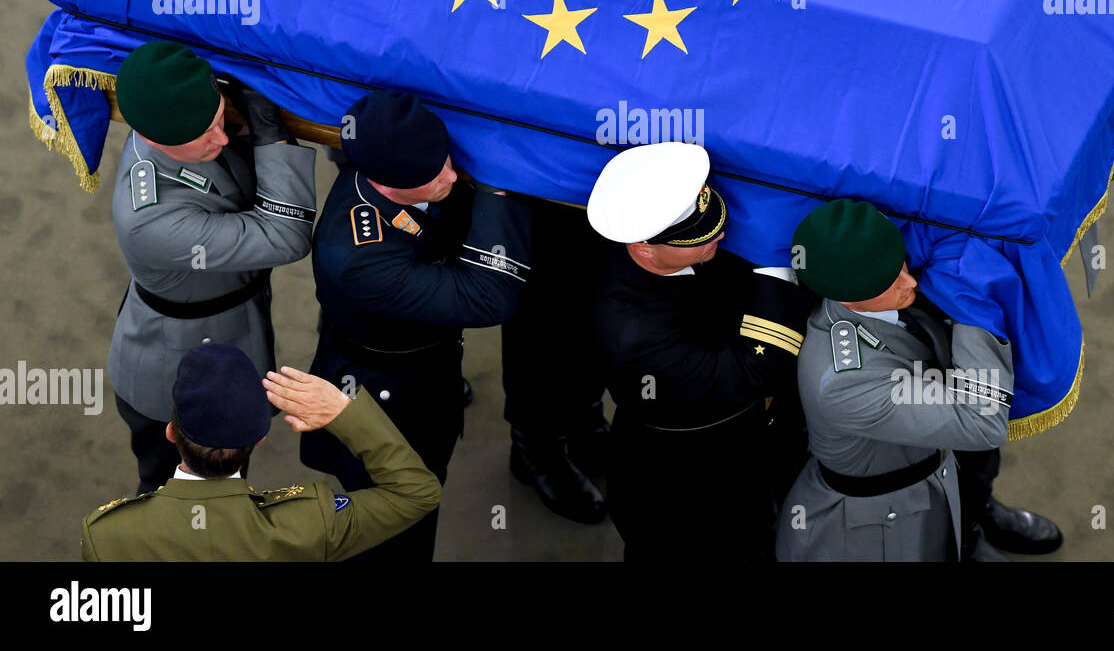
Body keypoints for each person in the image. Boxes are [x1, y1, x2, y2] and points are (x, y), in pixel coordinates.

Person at [301, 90, 533, 561]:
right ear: (384, 186)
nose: (451, 175)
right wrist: (501, 183)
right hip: (386, 395)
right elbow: (488, 296)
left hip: (413, 353)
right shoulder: (356, 255)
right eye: (434, 174)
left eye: (446, 160)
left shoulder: (395, 162)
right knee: (399, 517)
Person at [775, 198, 1057, 561]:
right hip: (877, 530)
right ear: (847, 296)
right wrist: (973, 313)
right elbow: (981, 423)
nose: (910, 280)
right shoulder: (844, 381)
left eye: (902, 264)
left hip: (928, 483)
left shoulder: (864, 295)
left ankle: (972, 531)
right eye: (890, 280)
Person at [586, 141, 815, 561]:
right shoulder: (634, 338)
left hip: (729, 450)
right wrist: (774, 256)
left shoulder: (662, 253)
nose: (721, 235)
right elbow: (758, 368)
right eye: (699, 236)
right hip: (682, 487)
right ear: (643, 247)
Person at [109, 41, 317, 494]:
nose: (221, 139)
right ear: (151, 138)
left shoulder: (172, 115)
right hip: (172, 382)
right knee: (171, 498)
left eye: (221, 120)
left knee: (228, 487)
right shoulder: (149, 217)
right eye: (204, 135)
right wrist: (267, 128)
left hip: (227, 330)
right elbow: (285, 237)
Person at [81, 344, 441, 560]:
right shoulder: (311, 523)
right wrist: (344, 413)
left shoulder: (107, 535)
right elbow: (417, 493)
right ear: (259, 442)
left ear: (171, 432)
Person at [500, 199, 611, 524]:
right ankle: (534, 447)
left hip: (600, 173)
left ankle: (583, 422)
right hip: (536, 175)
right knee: (541, 301)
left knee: (596, 289)